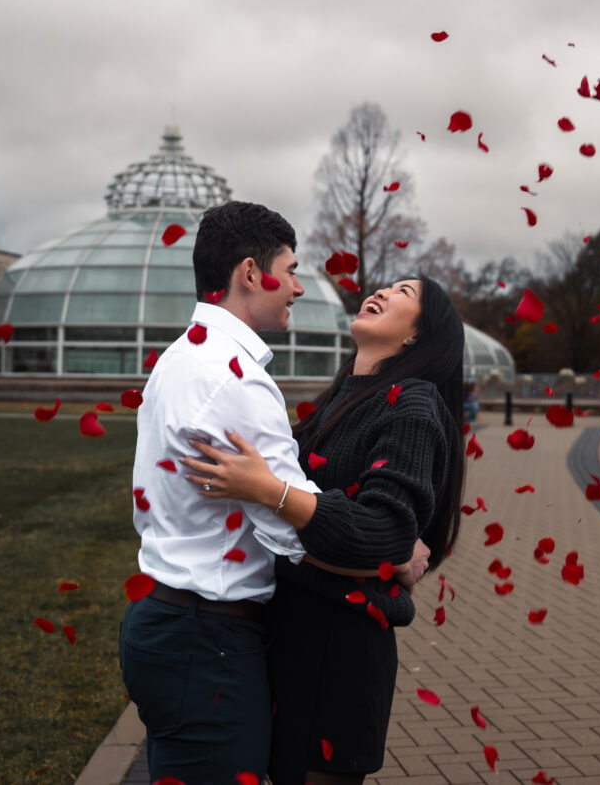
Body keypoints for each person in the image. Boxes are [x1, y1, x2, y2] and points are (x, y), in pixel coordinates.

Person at [184, 275, 467, 785]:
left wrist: (268, 490)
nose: (380, 292)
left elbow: (381, 530)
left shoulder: (414, 404)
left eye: (404, 293)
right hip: (289, 636)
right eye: (386, 286)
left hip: (341, 653)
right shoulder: (342, 396)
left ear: (418, 337)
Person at [120, 200, 323, 784]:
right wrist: (385, 553)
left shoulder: (184, 356)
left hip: (171, 623)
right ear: (252, 274)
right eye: (291, 269)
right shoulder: (233, 379)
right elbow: (291, 529)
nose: (299, 286)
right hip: (205, 641)